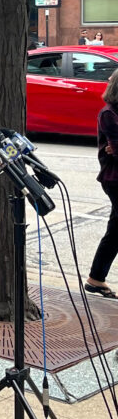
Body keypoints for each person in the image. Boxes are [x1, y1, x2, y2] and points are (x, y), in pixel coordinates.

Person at [86, 70, 118, 300]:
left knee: (116, 230)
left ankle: (96, 278)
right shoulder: (108, 114)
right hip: (114, 179)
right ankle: (96, 277)